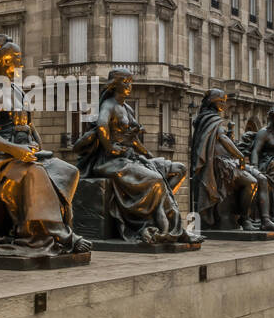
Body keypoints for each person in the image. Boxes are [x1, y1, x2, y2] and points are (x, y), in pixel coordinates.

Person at [0, 33, 91, 257]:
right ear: (3, 60)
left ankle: (54, 226)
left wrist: (37, 147)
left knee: (68, 170)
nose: (21, 63)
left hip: (23, 153)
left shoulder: (18, 90)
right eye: (17, 58)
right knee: (35, 173)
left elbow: (30, 126)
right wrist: (15, 150)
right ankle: (46, 234)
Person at [73, 68, 194, 242]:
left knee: (179, 169)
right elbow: (101, 125)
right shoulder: (109, 105)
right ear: (114, 85)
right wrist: (111, 148)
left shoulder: (127, 108)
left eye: (130, 81)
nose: (129, 85)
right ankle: (150, 221)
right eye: (125, 81)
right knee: (156, 180)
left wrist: (149, 155)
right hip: (111, 162)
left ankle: (156, 210)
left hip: (132, 157)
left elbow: (134, 140)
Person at [189, 89, 274, 230]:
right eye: (221, 101)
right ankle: (245, 220)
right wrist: (240, 156)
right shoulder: (209, 118)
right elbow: (222, 139)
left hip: (229, 161)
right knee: (252, 182)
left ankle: (265, 220)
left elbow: (223, 139)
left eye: (225, 101)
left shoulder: (212, 118)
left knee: (262, 179)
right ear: (212, 101)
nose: (224, 104)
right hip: (220, 163)